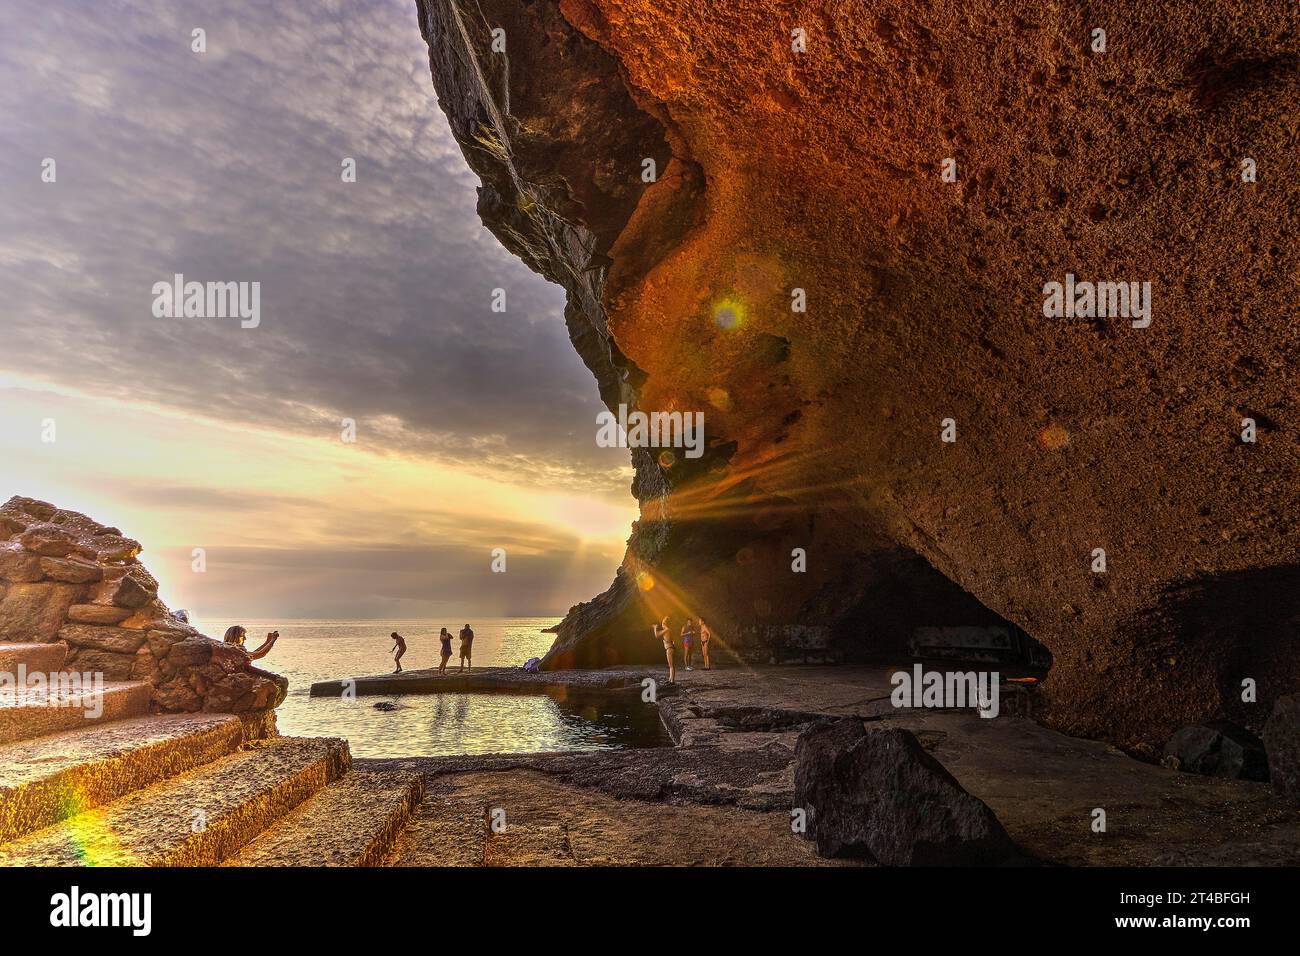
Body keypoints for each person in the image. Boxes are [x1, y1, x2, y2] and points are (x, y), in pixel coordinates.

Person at [653, 616, 674, 683]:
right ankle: (670, 679)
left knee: (671, 666)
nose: (662, 623)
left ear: (665, 623)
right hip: (670, 648)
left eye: (663, 622)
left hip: (669, 648)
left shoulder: (667, 629)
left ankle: (672, 681)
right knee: (670, 665)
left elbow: (656, 635)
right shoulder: (668, 629)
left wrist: (655, 628)